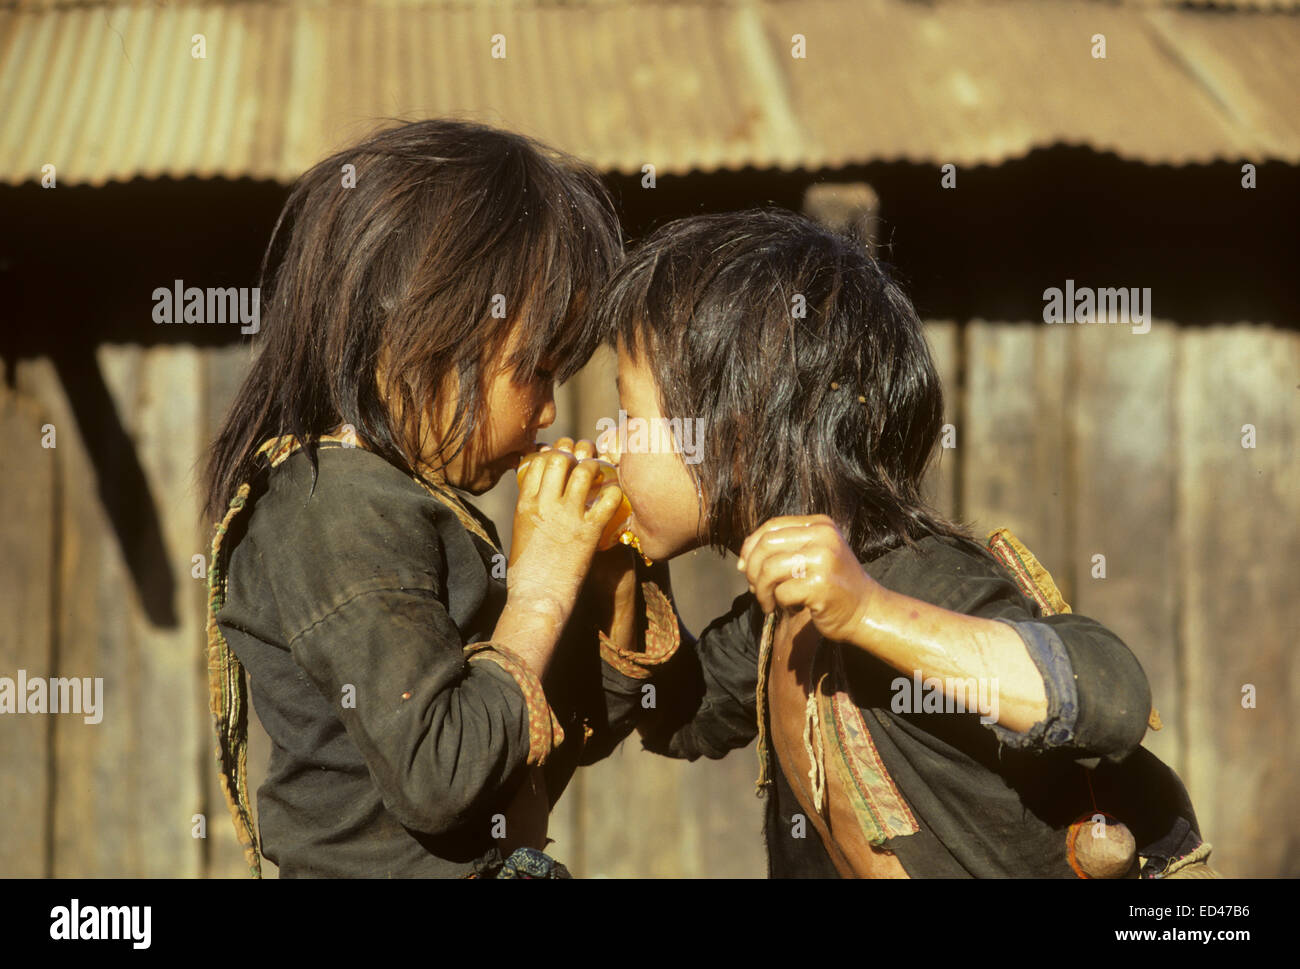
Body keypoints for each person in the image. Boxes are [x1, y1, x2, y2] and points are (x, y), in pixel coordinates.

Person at [591, 208, 1216, 878]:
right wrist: (623, 574)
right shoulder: (780, 621)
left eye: (630, 417)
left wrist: (868, 613)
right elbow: (677, 714)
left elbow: (1111, 694)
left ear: (734, 435)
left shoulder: (911, 580)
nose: (607, 442)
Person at [202, 119, 678, 878]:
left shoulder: (411, 502)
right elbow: (444, 772)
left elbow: (537, 744)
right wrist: (544, 586)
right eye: (536, 370)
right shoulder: (334, 510)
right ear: (429, 330)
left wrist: (608, 590)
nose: (550, 412)